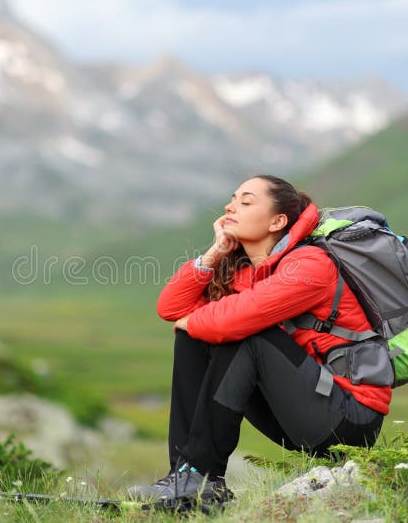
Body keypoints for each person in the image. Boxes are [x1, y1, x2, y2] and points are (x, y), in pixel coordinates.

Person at [127, 175, 390, 503]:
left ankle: (202, 477)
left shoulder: (309, 266)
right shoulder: (246, 272)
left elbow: (234, 319)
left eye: (246, 201)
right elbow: (170, 307)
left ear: (278, 221)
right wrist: (214, 252)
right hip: (301, 408)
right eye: (232, 198)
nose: (229, 206)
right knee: (193, 336)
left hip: (349, 419)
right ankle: (185, 475)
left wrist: (196, 320)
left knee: (242, 333)